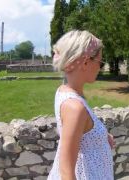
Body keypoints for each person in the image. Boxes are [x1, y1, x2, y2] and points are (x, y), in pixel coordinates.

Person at [47, 30, 115, 180]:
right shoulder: (74, 108)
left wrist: (102, 137)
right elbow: (66, 173)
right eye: (100, 62)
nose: (100, 68)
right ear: (85, 62)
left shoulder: (65, 91)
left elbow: (82, 133)